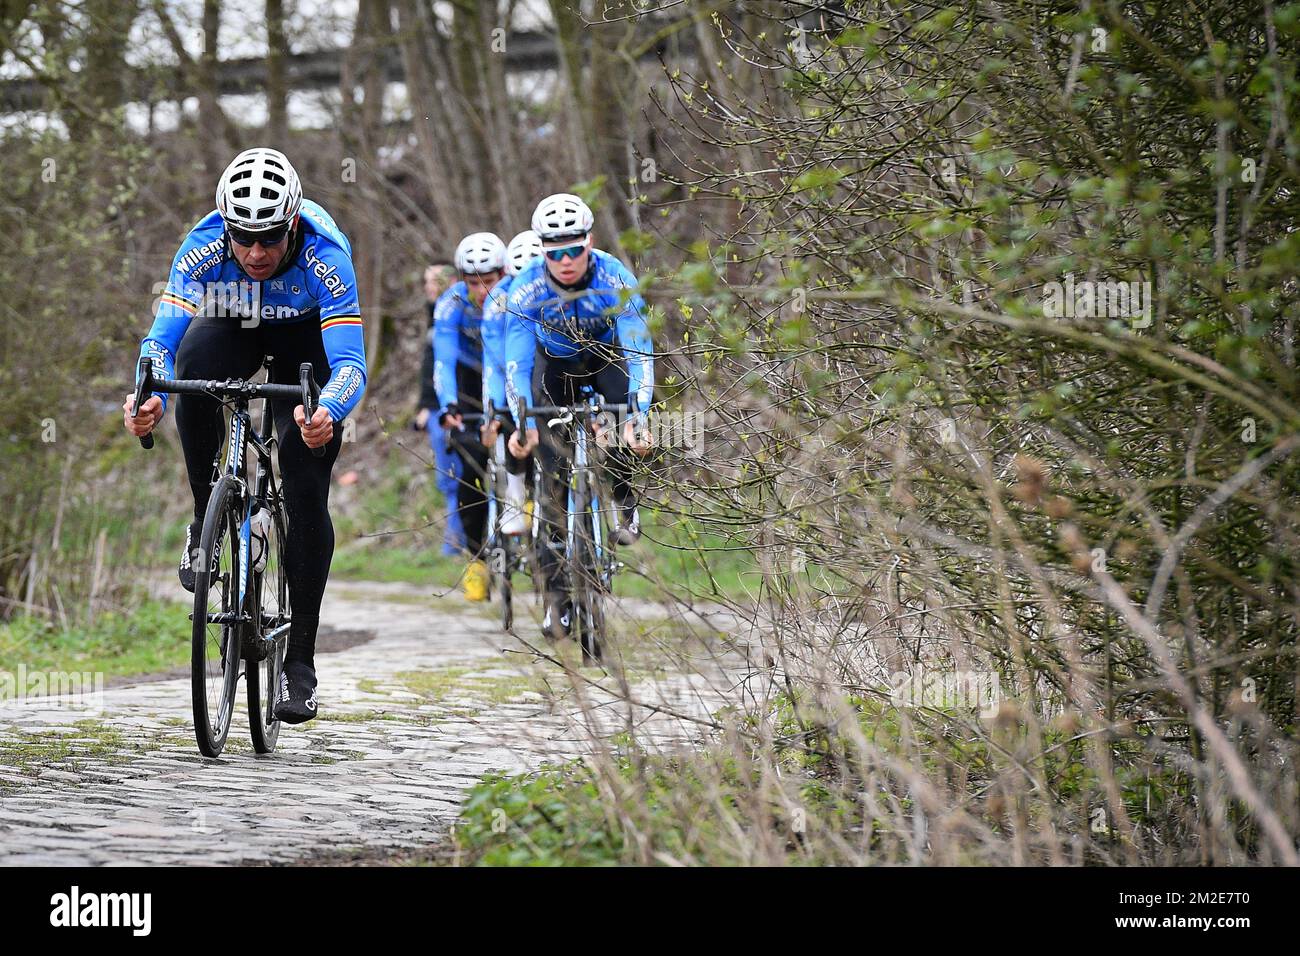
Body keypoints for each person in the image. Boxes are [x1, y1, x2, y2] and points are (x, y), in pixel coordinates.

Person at [123, 147, 367, 724]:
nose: (256, 253)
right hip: (231, 320)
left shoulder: (325, 257)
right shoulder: (203, 247)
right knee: (190, 372)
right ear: (227, 229)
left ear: (291, 226)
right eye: (244, 238)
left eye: (270, 239)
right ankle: (206, 514)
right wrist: (147, 394)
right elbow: (158, 343)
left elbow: (350, 362)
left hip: (307, 338)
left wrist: (327, 410)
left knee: (304, 481)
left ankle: (300, 666)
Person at [503, 194, 654, 638]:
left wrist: (638, 414)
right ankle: (558, 604)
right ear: (542, 250)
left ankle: (624, 500)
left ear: (590, 242)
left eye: (574, 249)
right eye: (555, 252)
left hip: (606, 360)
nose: (566, 261)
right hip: (557, 371)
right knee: (551, 485)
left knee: (623, 425)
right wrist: (521, 421)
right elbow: (515, 362)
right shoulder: (526, 287)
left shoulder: (613, 276)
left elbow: (639, 347)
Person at [433, 232, 508, 600]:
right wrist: (448, 405)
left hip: (508, 372)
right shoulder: (450, 305)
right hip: (467, 379)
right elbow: (443, 361)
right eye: (472, 282)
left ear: (504, 273)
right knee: (469, 467)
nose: (481, 290)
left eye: (488, 281)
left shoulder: (516, 296)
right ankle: (476, 556)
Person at [480, 230, 544, 536]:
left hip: (550, 369)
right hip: (512, 369)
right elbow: (495, 362)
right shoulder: (497, 301)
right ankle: (515, 495)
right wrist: (491, 410)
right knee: (511, 415)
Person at [414, 263, 465, 555]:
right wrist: (424, 406)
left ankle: (457, 546)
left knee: (457, 477)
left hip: (458, 404)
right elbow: (429, 368)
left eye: (436, 280)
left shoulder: (460, 315)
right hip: (436, 408)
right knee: (448, 479)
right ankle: (454, 545)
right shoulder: (434, 314)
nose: (430, 286)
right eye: (427, 281)